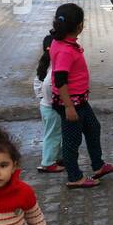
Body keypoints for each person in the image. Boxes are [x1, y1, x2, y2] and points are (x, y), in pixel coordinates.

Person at [49, 3, 113, 188]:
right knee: (72, 140)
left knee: (93, 128)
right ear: (80, 26)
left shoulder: (62, 42)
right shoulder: (65, 49)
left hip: (78, 100)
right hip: (70, 102)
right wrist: (69, 107)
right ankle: (74, 177)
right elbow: (60, 80)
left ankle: (98, 165)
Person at [34, 32, 64, 173]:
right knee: (53, 135)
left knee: (54, 133)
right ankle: (48, 162)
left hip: (45, 106)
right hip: (52, 107)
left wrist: (42, 99)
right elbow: (49, 86)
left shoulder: (44, 64)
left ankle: (56, 157)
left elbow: (37, 84)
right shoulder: (53, 67)